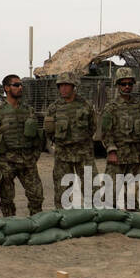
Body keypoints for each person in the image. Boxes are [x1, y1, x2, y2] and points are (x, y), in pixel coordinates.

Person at [0, 73, 44, 215]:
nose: (20, 87)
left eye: (21, 84)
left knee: (37, 196)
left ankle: (37, 225)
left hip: (27, 160)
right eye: (16, 85)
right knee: (7, 199)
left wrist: (35, 156)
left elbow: (38, 136)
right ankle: (10, 227)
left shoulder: (29, 110)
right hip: (6, 161)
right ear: (7, 88)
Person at [43, 72, 95, 210]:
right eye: (61, 86)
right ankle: (64, 219)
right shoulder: (53, 108)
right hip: (63, 155)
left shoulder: (85, 105)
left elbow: (92, 127)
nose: (63, 89)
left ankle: (96, 218)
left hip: (84, 154)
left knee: (91, 187)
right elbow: (49, 131)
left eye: (67, 85)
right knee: (62, 190)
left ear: (74, 86)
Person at [102, 67, 140, 209]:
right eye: (123, 84)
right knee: (110, 193)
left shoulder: (138, 106)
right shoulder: (111, 107)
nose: (127, 87)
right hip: (117, 156)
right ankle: (109, 225)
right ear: (118, 85)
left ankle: (132, 222)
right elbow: (106, 132)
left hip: (134, 157)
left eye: (130, 84)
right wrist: (111, 150)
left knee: (131, 193)